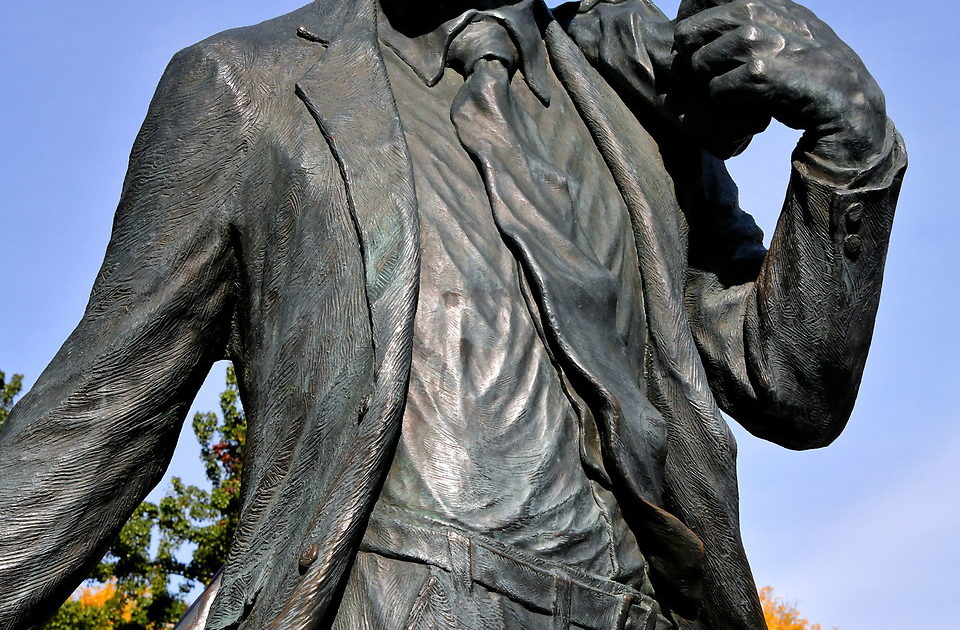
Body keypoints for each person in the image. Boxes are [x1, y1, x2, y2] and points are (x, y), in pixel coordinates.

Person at [0, 0, 905, 628]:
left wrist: (853, 146)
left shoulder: (637, 116)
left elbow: (790, 384)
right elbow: (94, 428)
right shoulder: (250, 87)